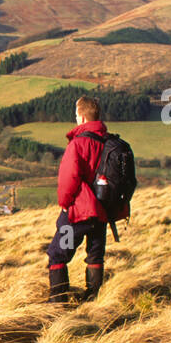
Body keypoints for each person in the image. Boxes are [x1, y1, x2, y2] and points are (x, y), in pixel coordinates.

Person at [47, 95, 111, 303]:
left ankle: (58, 301)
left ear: (82, 118)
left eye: (76, 115)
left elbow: (68, 179)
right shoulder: (110, 143)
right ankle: (93, 299)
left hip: (78, 213)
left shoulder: (78, 144)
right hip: (103, 211)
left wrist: (65, 205)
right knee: (95, 255)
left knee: (57, 254)